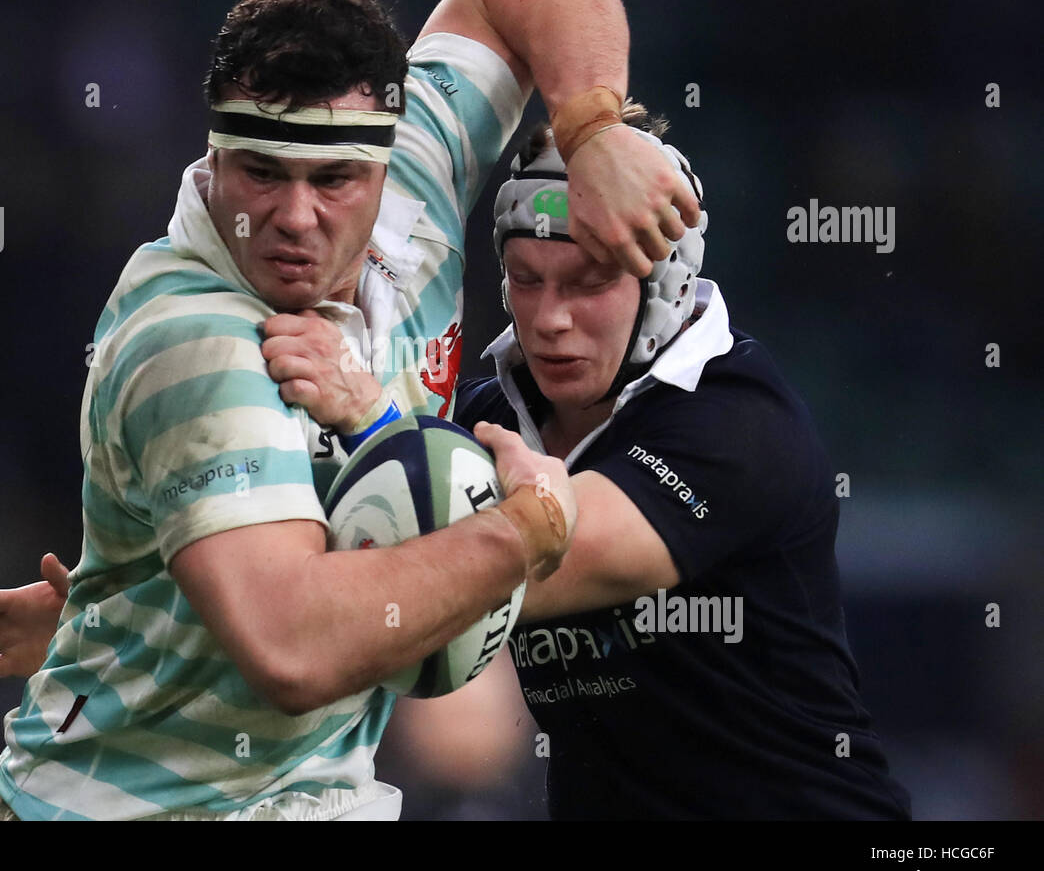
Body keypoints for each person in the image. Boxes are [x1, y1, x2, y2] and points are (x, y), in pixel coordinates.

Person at [0, 0, 701, 821]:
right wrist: (521, 532)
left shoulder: (414, 173)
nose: (295, 216)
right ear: (214, 157)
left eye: (334, 179)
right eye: (262, 174)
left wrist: (592, 128)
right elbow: (293, 652)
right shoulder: (197, 340)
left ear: (387, 161)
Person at [266, 109, 913, 819]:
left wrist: (374, 421)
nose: (548, 319)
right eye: (527, 277)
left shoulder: (737, 420)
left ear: (664, 279)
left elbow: (533, 556)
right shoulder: (488, 415)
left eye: (588, 282)